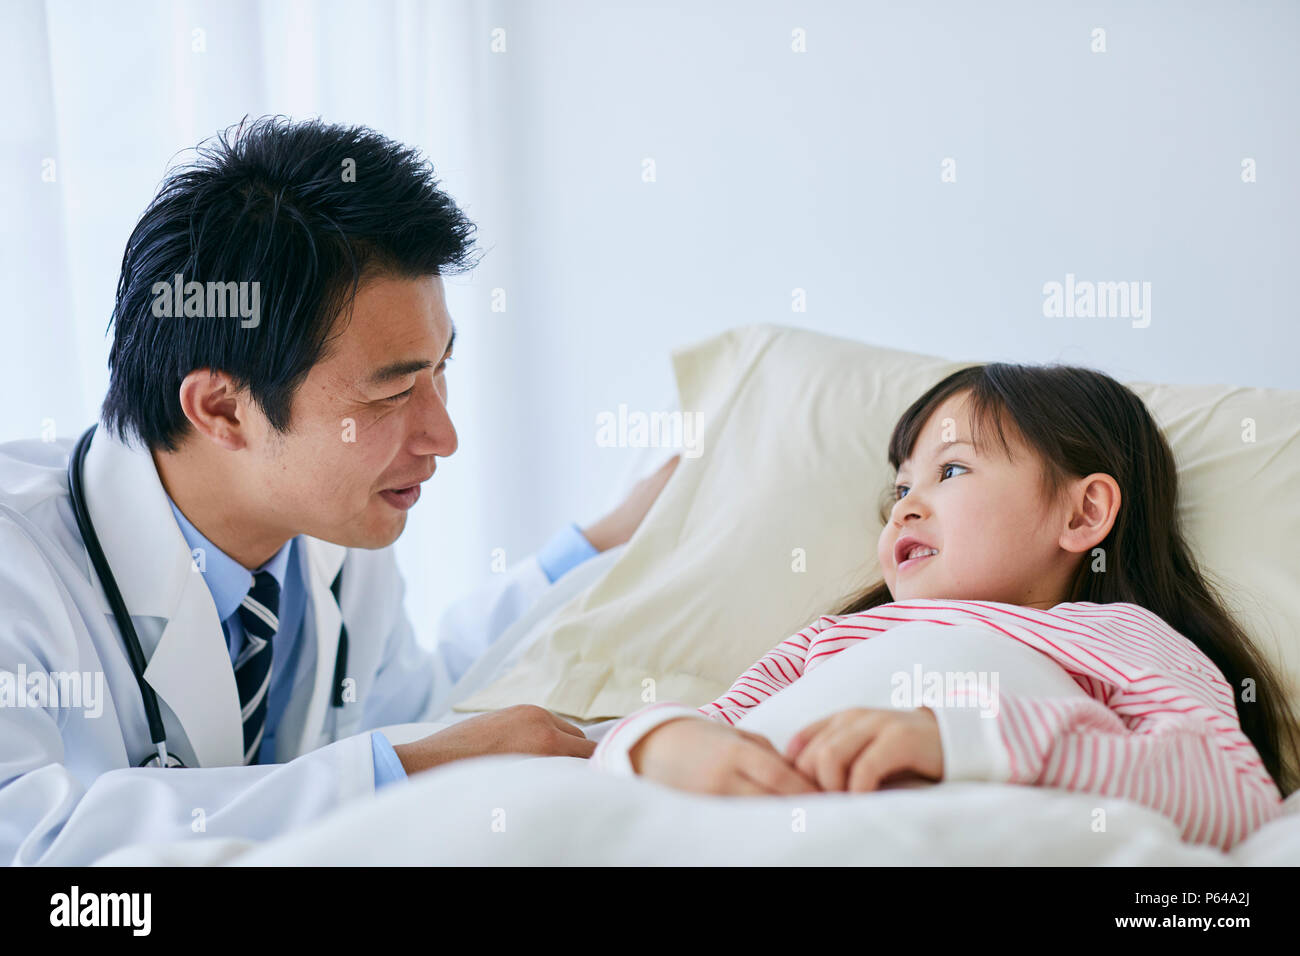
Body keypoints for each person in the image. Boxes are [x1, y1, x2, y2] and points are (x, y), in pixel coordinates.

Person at [0, 115, 676, 866]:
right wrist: (395, 775)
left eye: (439, 370)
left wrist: (598, 545)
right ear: (222, 408)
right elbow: (32, 841)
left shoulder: (337, 530)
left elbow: (421, 708)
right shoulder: (17, 565)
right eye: (391, 394)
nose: (442, 435)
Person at [592, 363, 1300, 852]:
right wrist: (655, 743)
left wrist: (958, 741)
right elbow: (714, 723)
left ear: (1084, 513)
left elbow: (1230, 791)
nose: (906, 509)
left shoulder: (1115, 633)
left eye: (951, 470)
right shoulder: (830, 640)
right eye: (898, 491)